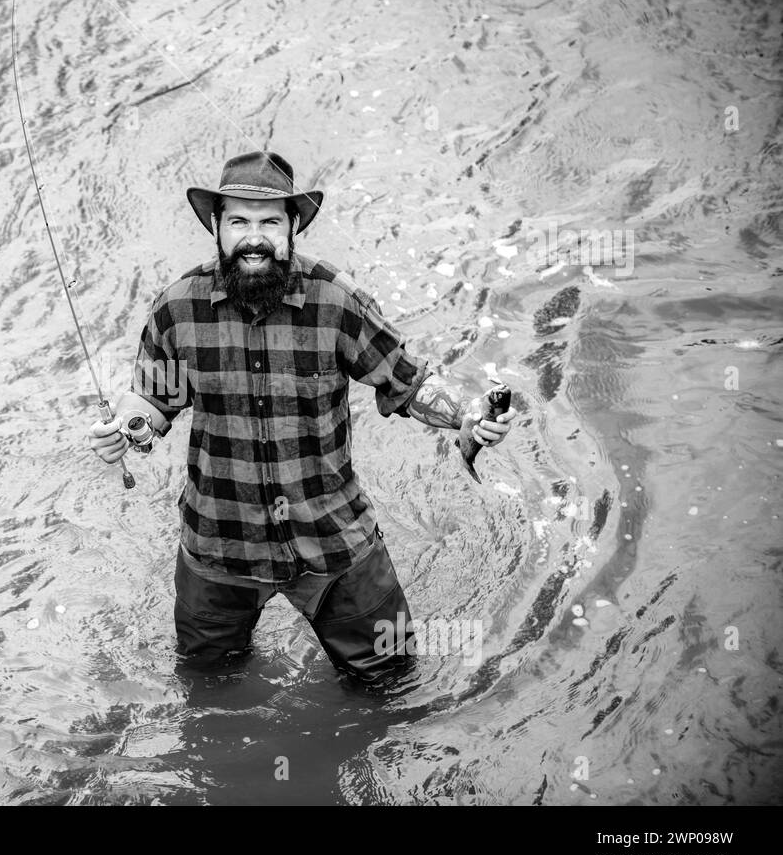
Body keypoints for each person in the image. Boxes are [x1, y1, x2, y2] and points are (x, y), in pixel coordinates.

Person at [88, 151, 515, 683]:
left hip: (333, 537)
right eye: (239, 221)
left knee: (392, 683)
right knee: (208, 687)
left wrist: (468, 421)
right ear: (216, 227)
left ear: (292, 228)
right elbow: (150, 400)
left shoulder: (338, 301)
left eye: (269, 221)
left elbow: (407, 382)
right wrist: (126, 429)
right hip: (219, 543)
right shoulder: (176, 307)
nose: (254, 237)